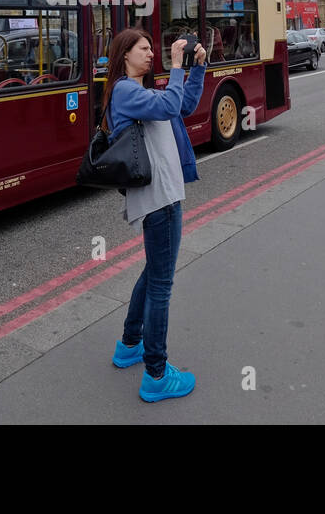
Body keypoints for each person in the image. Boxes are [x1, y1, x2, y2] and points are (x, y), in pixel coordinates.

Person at [103, 28, 207, 402]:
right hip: (159, 199)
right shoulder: (124, 90)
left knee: (153, 272)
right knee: (162, 284)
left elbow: (181, 106)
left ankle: (130, 343)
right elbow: (167, 106)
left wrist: (197, 68)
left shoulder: (142, 92)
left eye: (152, 49)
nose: (151, 54)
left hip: (163, 194)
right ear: (124, 54)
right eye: (143, 49)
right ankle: (156, 374)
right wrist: (177, 64)